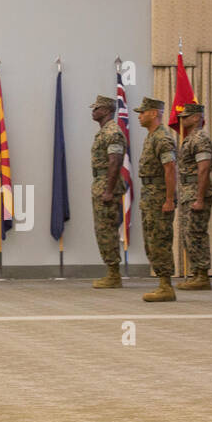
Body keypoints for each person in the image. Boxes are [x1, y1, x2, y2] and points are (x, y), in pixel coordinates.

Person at [134, 96, 177, 302]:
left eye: (142, 112)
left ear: (153, 113)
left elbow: (170, 169)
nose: (139, 116)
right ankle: (162, 282)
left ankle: (166, 285)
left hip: (159, 194)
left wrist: (169, 199)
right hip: (150, 194)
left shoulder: (162, 138)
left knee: (160, 239)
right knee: (151, 240)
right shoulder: (151, 136)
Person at [88, 94, 127, 289]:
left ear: (106, 110)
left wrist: (109, 190)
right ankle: (111, 271)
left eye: (96, 108)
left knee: (107, 230)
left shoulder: (113, 132)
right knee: (102, 229)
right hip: (101, 182)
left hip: (106, 184)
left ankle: (114, 274)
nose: (93, 111)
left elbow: (115, 161)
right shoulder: (104, 132)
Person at [175, 102, 212, 291]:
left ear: (197, 117)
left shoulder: (200, 138)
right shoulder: (189, 138)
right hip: (187, 191)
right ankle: (196, 272)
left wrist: (200, 198)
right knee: (188, 234)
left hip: (197, 191)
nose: (181, 119)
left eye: (186, 116)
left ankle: (202, 275)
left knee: (196, 233)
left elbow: (204, 168)